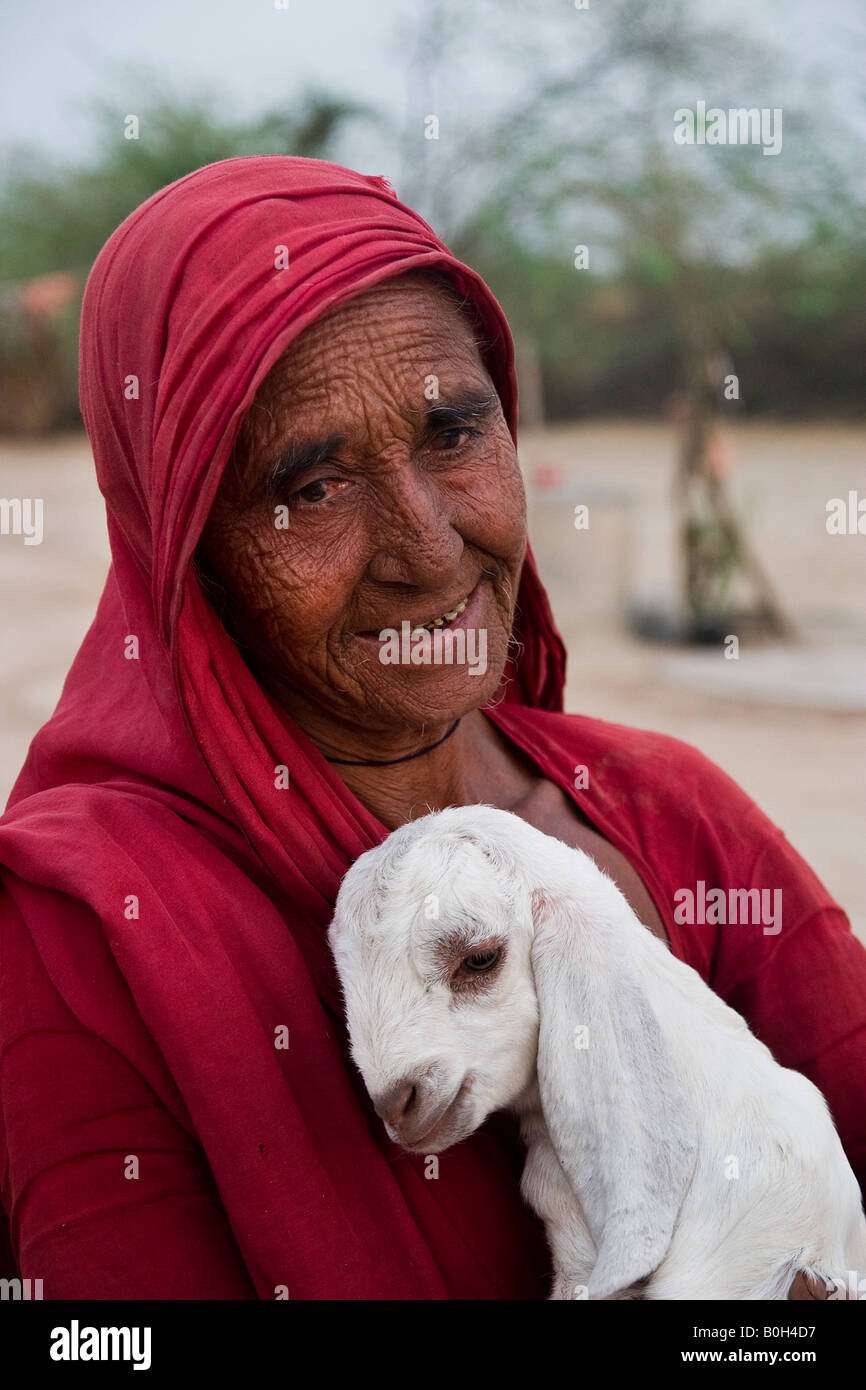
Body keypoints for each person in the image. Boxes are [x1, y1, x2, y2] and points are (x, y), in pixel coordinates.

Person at [0, 156, 863, 1300]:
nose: (429, 547)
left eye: (454, 434)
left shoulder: (670, 814)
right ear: (185, 550)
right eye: (312, 489)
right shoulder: (88, 938)